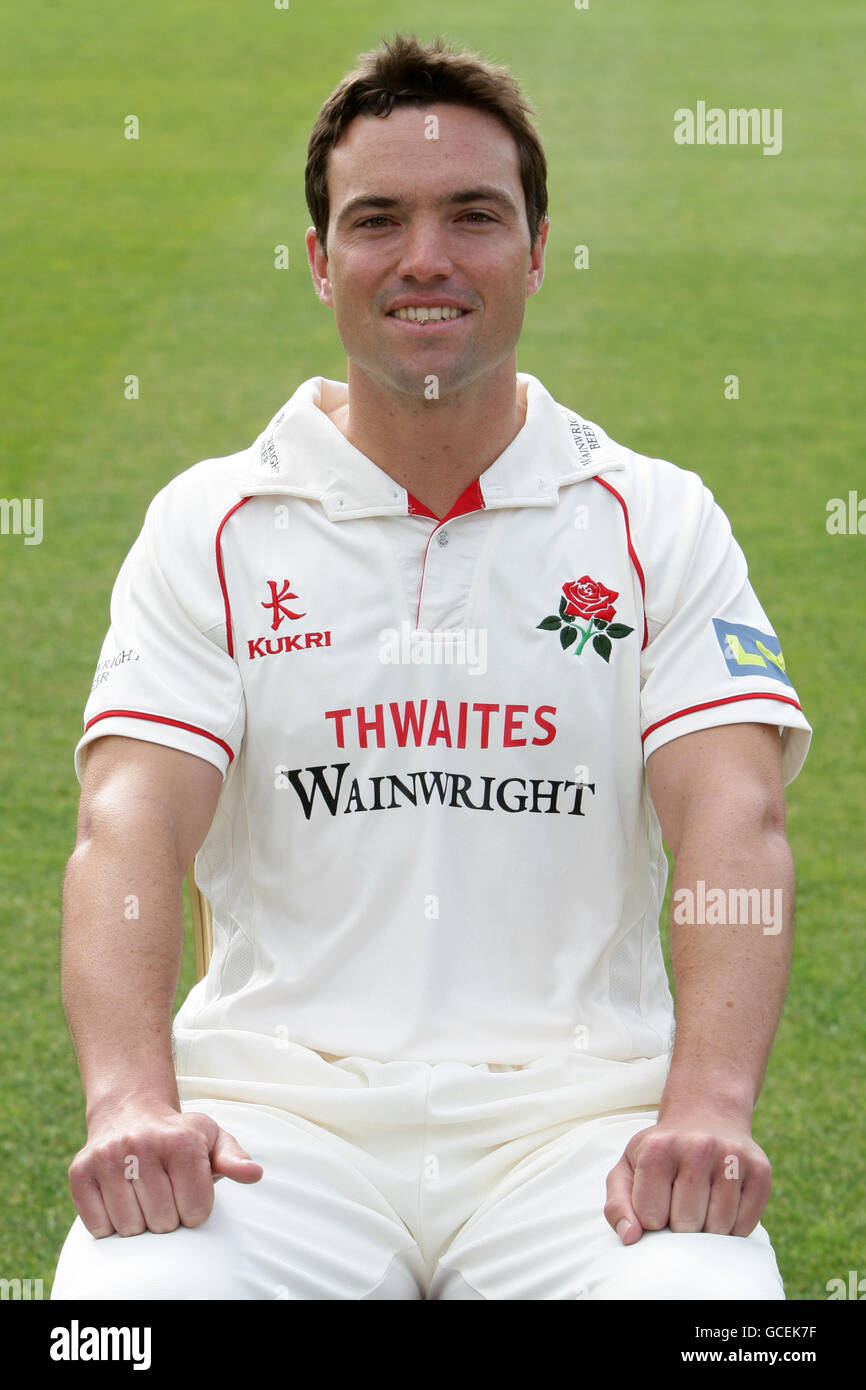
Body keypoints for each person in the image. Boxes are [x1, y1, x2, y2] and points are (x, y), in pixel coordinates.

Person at [52, 33, 812, 1301]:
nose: (424, 259)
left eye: (472, 215)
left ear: (535, 247)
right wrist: (133, 1098)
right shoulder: (213, 521)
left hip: (581, 1132)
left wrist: (707, 1105)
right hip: (271, 1129)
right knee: (112, 1327)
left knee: (716, 1322)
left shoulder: (655, 516)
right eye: (376, 220)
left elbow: (734, 813)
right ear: (317, 260)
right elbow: (126, 825)